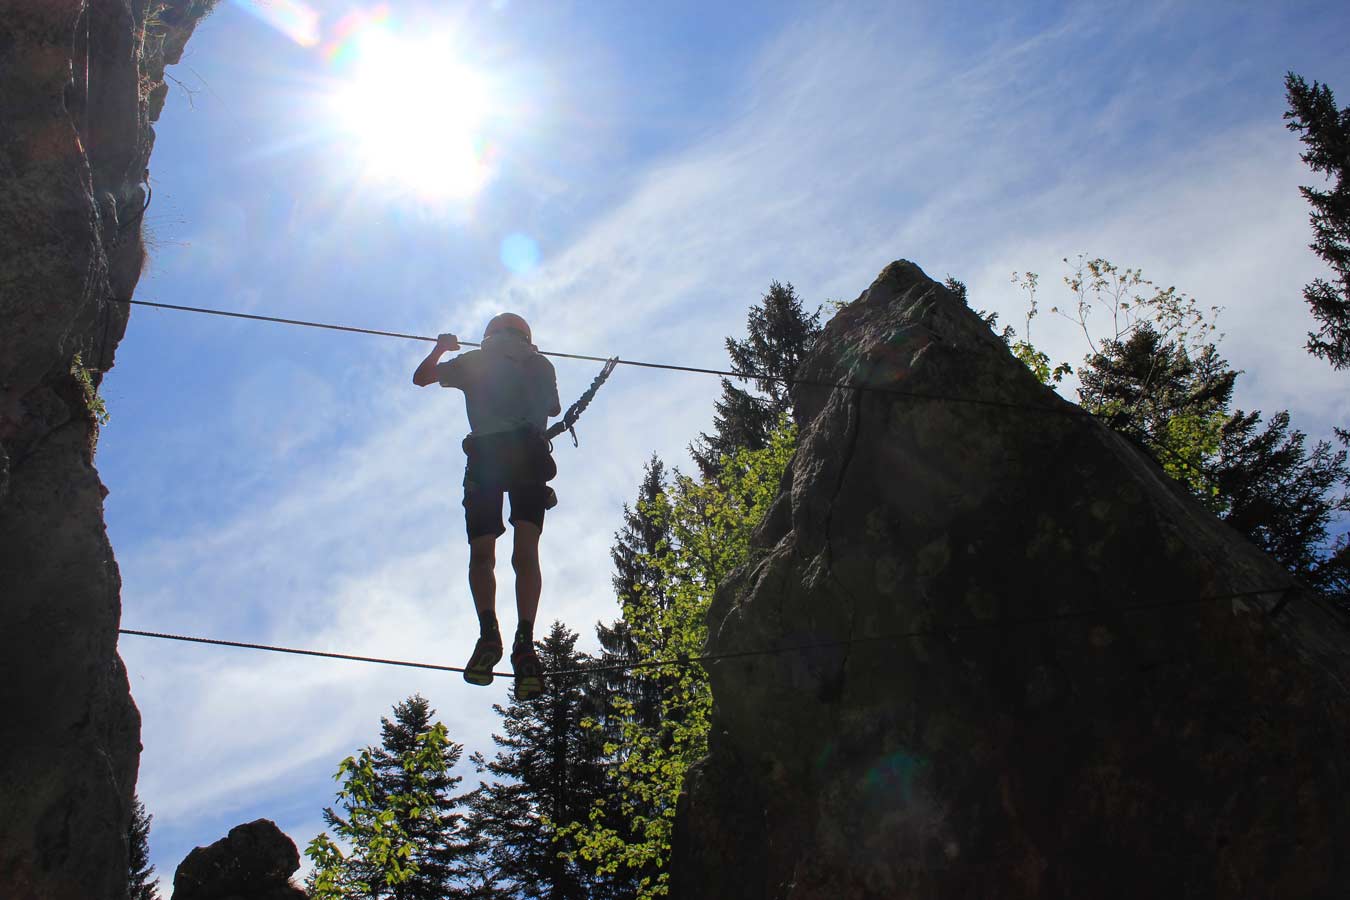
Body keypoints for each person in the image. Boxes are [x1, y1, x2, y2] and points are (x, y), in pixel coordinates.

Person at [413, 312, 561, 700]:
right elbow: (553, 409)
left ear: (489, 335)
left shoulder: (475, 360)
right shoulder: (541, 363)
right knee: (526, 554)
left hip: (486, 459)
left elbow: (422, 377)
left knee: (482, 555)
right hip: (529, 457)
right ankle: (525, 640)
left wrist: (441, 349)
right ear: (526, 337)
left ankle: (488, 634)